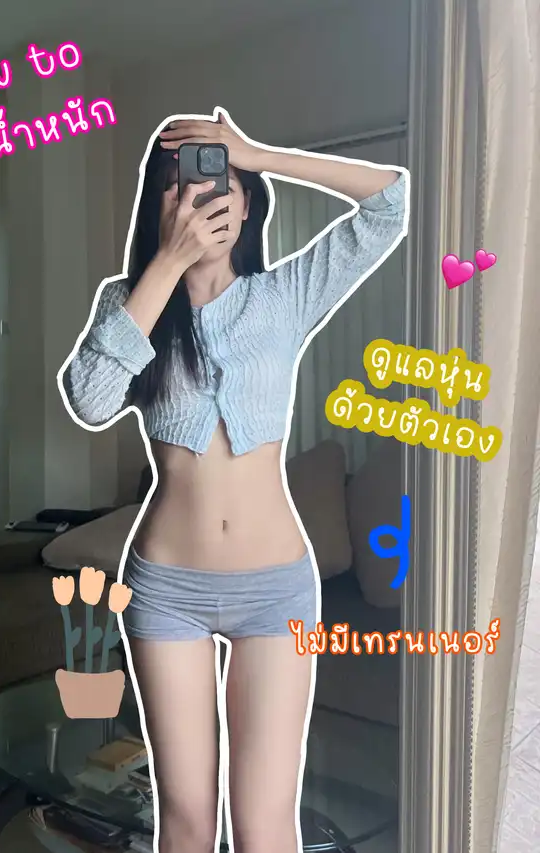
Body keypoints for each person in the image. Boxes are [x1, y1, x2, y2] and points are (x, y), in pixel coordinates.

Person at [59, 110, 408, 853]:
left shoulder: (284, 296)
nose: (202, 197)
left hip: (277, 589)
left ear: (247, 204)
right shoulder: (131, 304)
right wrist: (165, 265)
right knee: (186, 821)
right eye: (178, 186)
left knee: (264, 826)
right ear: (159, 205)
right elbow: (88, 397)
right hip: (166, 589)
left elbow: (390, 202)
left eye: (224, 182)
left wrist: (258, 152)